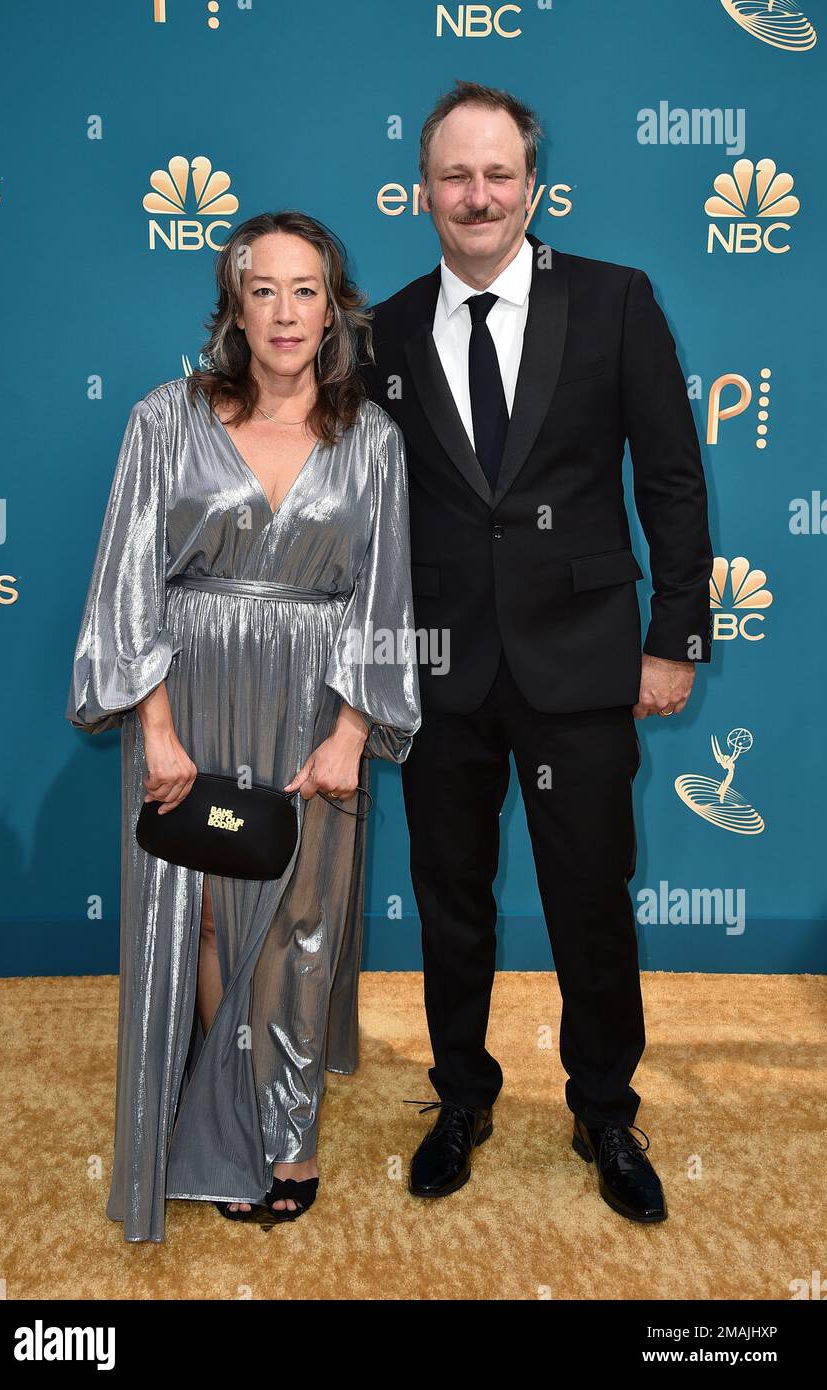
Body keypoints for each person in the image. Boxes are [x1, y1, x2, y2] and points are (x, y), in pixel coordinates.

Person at [361, 81, 713, 1223]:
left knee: (588, 898)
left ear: (530, 185)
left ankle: (603, 1108)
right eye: (455, 175)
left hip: (582, 661)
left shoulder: (612, 300)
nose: (477, 194)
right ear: (422, 193)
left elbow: (667, 477)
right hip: (439, 668)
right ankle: (460, 1094)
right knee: (450, 896)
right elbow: (362, 512)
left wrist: (673, 637)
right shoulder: (387, 331)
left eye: (497, 173)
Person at [66, 210, 420, 1242]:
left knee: (296, 927)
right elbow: (128, 585)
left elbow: (382, 600)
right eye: (261, 288)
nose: (283, 311)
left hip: (314, 706)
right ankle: (226, 1121)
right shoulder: (162, 419)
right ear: (232, 303)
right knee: (206, 916)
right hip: (188, 698)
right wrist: (158, 729)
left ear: (333, 307)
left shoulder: (371, 442)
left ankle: (286, 1125)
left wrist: (354, 732)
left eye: (303, 289)